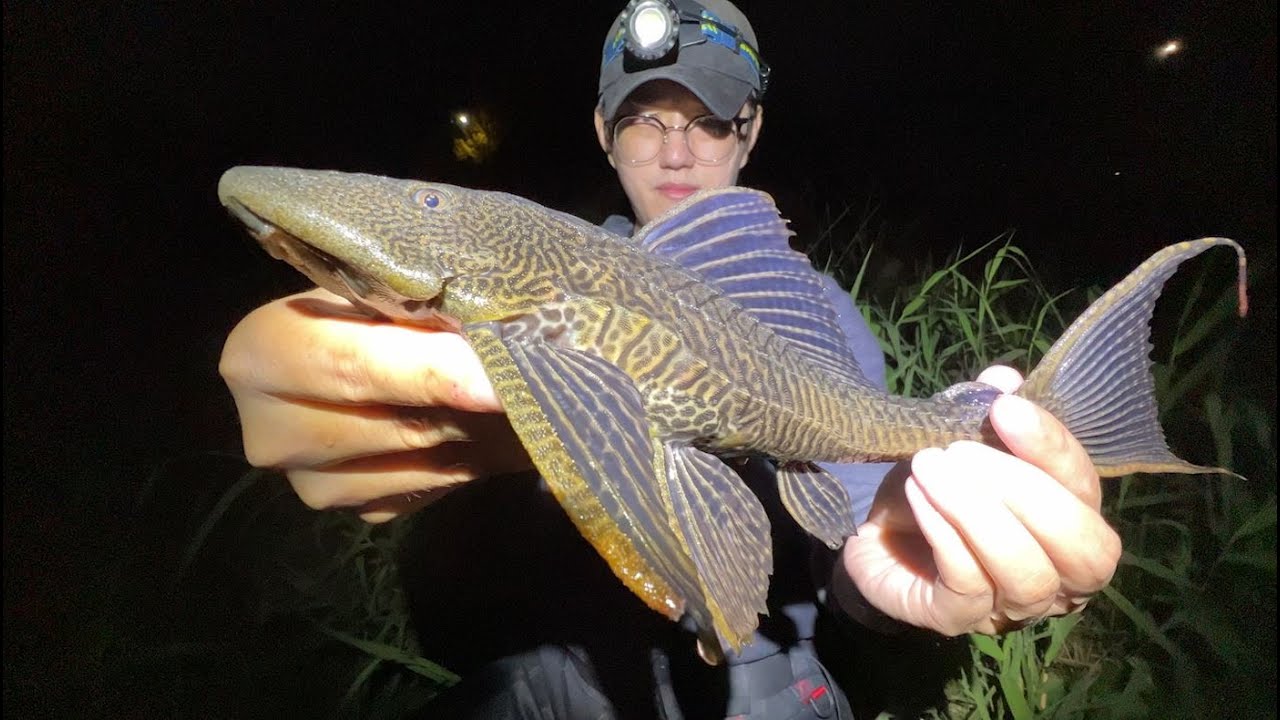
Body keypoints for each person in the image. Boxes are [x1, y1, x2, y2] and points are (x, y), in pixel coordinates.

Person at [219, 1, 1121, 717]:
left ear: (750, 133)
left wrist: (894, 563)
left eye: (713, 119)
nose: (680, 148)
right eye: (647, 120)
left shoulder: (814, 315)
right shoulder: (548, 258)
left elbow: (844, 534)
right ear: (605, 133)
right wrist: (348, 402)